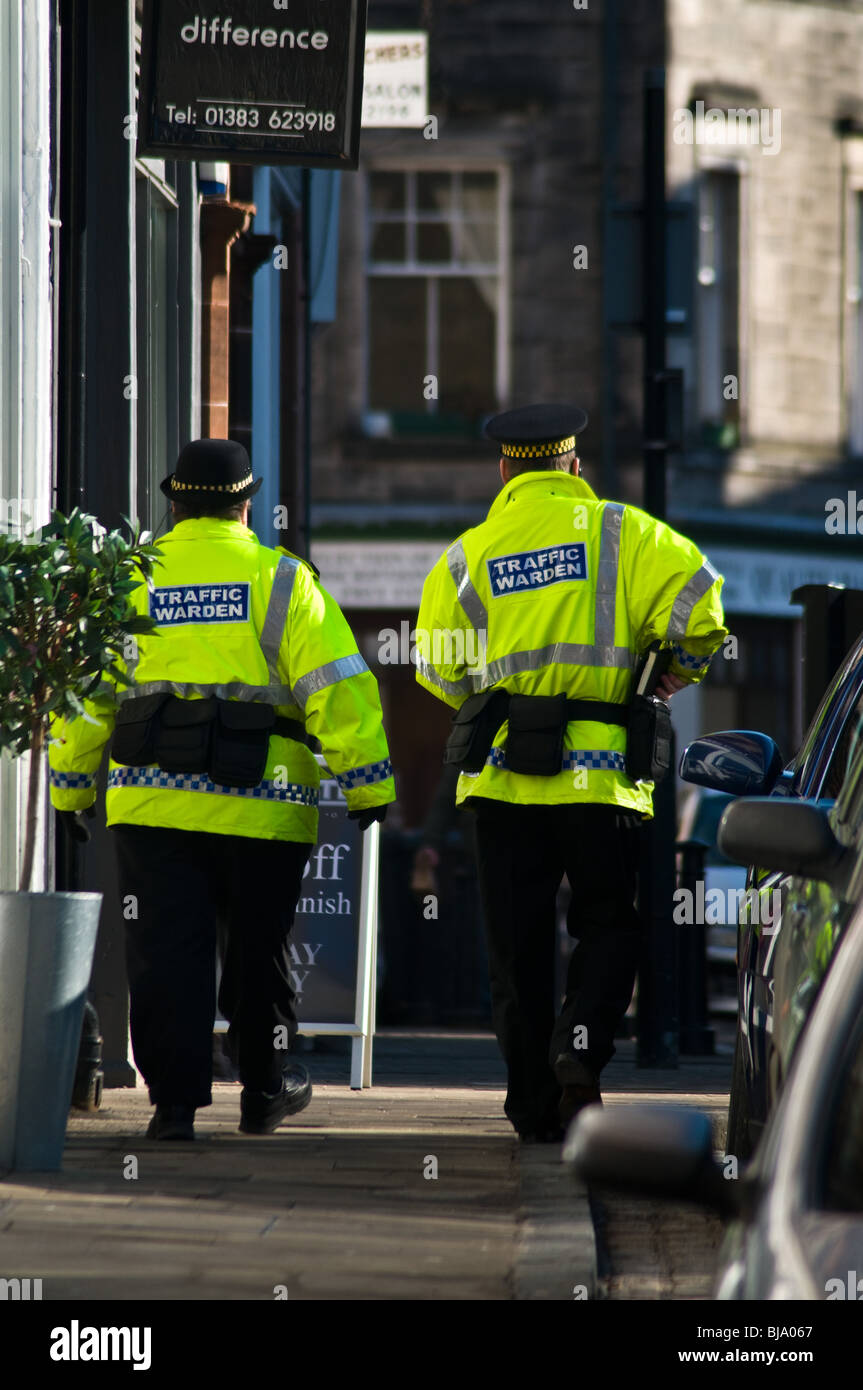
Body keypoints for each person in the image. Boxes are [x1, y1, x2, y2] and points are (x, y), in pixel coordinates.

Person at [49, 439, 395, 1141]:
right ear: (246, 505)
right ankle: (264, 1090)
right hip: (263, 811)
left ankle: (174, 1106)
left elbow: (87, 698)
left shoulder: (127, 580)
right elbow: (338, 688)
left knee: (168, 953)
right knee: (258, 951)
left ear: (173, 505)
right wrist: (367, 787)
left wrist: (69, 791)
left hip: (153, 807)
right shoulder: (283, 581)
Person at [415, 404, 727, 1142]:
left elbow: (435, 665)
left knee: (514, 949)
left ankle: (531, 1110)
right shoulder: (628, 533)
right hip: (601, 780)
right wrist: (669, 675)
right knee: (610, 925)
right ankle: (578, 1053)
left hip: (502, 784)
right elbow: (702, 611)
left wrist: (497, 697)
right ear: (574, 467)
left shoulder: (467, 554)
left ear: (504, 471)